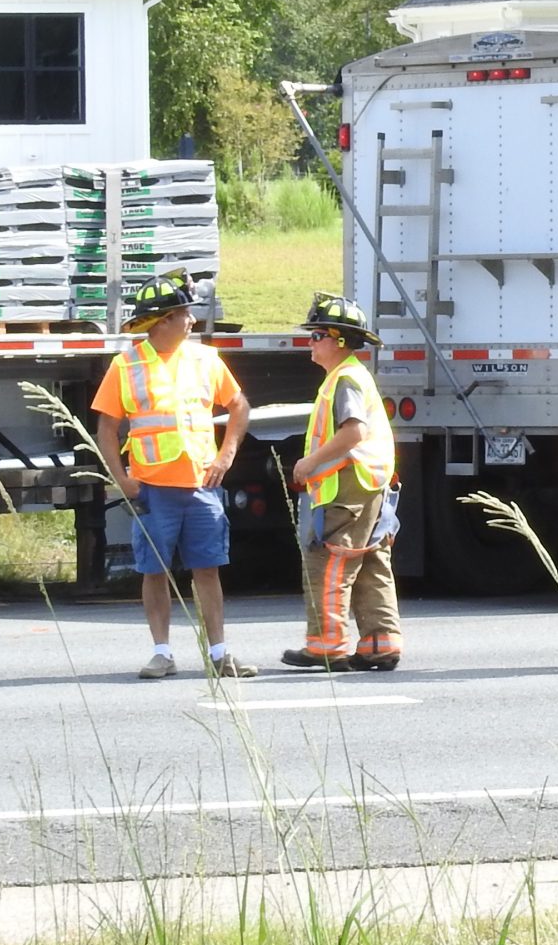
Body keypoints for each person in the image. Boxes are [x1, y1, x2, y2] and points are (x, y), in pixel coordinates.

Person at [91, 269, 256, 677]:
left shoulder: (205, 359)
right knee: (154, 571)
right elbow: (106, 429)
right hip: (152, 489)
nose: (192, 320)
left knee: (208, 569)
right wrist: (121, 479)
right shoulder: (126, 366)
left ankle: (219, 653)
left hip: (201, 485)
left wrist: (226, 456)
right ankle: (162, 653)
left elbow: (239, 406)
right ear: (164, 320)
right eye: (184, 314)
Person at [279, 294, 403, 673]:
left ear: (340, 340)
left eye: (318, 335)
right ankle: (380, 645)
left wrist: (310, 463)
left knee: (329, 562)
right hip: (368, 486)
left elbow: (353, 432)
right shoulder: (349, 376)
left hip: (348, 488)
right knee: (371, 563)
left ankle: (326, 646)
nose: (311, 342)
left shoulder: (345, 380)